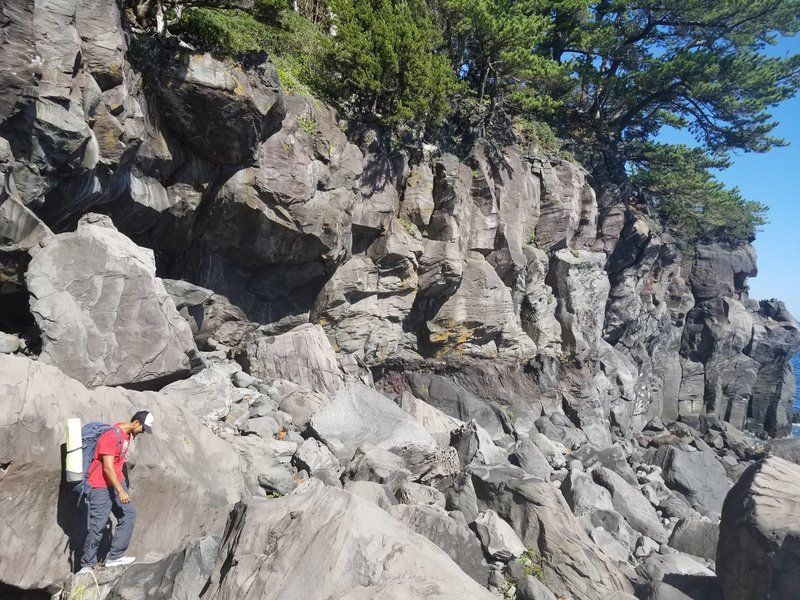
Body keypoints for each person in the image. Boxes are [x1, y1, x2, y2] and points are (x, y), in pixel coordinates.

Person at [78, 410, 154, 573]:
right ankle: (86, 565)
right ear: (136, 423)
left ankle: (115, 556)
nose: (142, 433)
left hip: (116, 484)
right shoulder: (111, 436)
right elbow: (107, 467)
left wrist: (120, 486)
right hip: (100, 486)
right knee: (97, 526)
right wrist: (121, 491)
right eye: (143, 429)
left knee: (129, 515)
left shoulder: (126, 436)